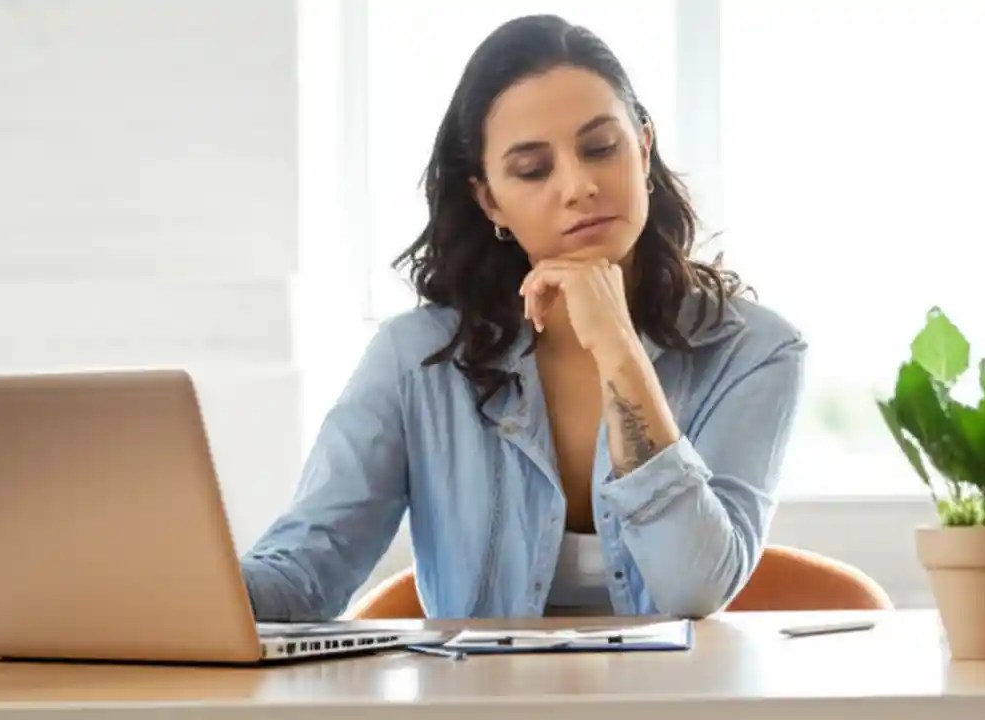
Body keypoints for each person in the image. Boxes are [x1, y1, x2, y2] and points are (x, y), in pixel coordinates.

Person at [240, 14, 806, 621]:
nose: (579, 185)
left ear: (642, 147)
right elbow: (302, 576)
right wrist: (157, 585)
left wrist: (618, 349)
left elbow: (692, 587)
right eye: (533, 169)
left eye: (600, 148)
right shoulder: (416, 359)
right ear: (490, 200)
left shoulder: (756, 349)